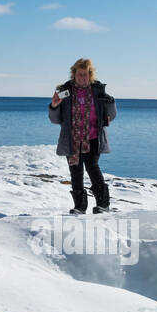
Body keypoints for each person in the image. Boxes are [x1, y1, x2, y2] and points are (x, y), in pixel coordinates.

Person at [48, 58, 117, 214]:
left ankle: (103, 204)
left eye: (85, 74)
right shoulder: (65, 91)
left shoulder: (97, 90)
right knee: (76, 172)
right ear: (74, 74)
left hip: (93, 137)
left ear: (90, 75)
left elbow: (111, 116)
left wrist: (111, 102)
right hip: (72, 139)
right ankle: (80, 207)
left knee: (92, 167)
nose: (82, 78)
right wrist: (54, 105)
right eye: (79, 74)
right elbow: (55, 119)